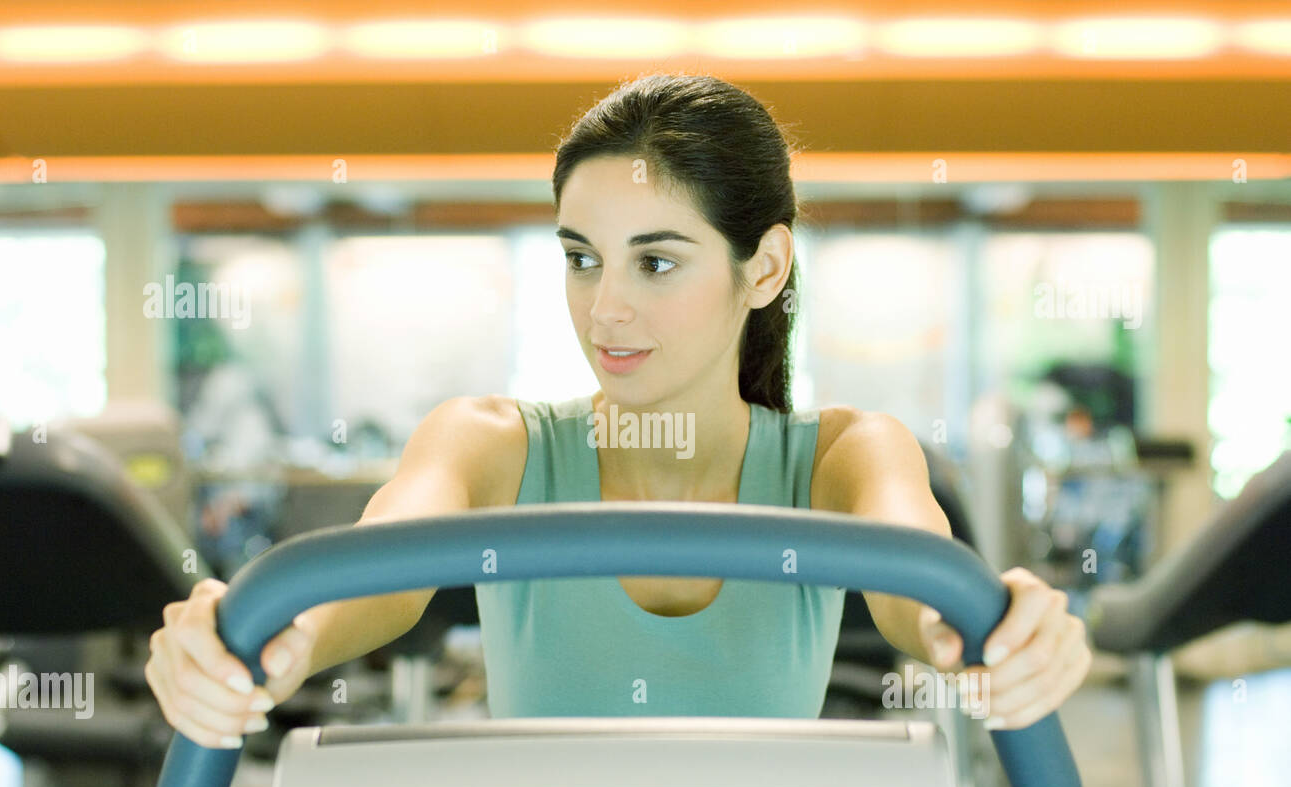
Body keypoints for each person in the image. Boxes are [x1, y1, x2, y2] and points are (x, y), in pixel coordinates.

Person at [145, 73, 1091, 749]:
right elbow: (379, 569)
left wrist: (994, 637)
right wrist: (260, 645)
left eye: (658, 260)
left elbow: (918, 578)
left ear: (763, 267)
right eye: (582, 256)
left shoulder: (840, 454)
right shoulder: (490, 443)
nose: (606, 309)